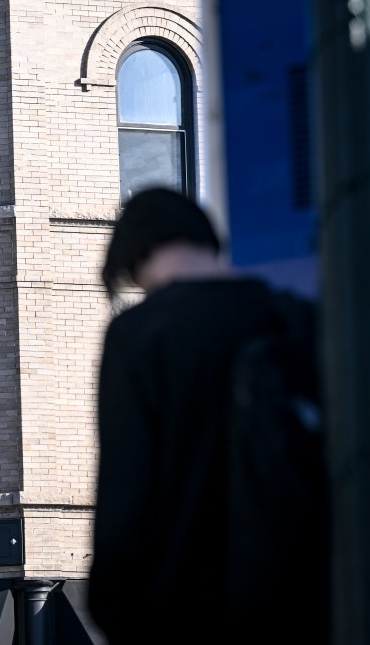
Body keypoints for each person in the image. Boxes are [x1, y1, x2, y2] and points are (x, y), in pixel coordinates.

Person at [88, 188, 326, 644]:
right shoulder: (296, 318)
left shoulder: (139, 336)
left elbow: (127, 486)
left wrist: (116, 609)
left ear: (136, 258)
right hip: (303, 601)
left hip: (188, 609)